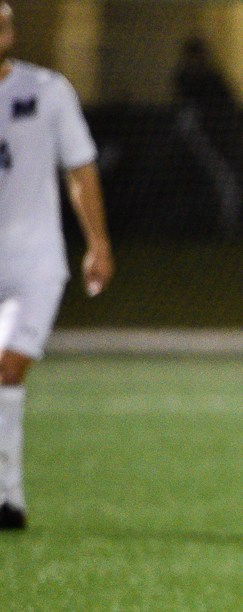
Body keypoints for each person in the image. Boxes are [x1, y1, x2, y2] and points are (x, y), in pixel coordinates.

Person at [0, 1, 113, 530]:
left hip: (36, 260)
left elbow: (80, 168)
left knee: (9, 365)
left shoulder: (47, 91)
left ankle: (9, 499)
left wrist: (98, 243)